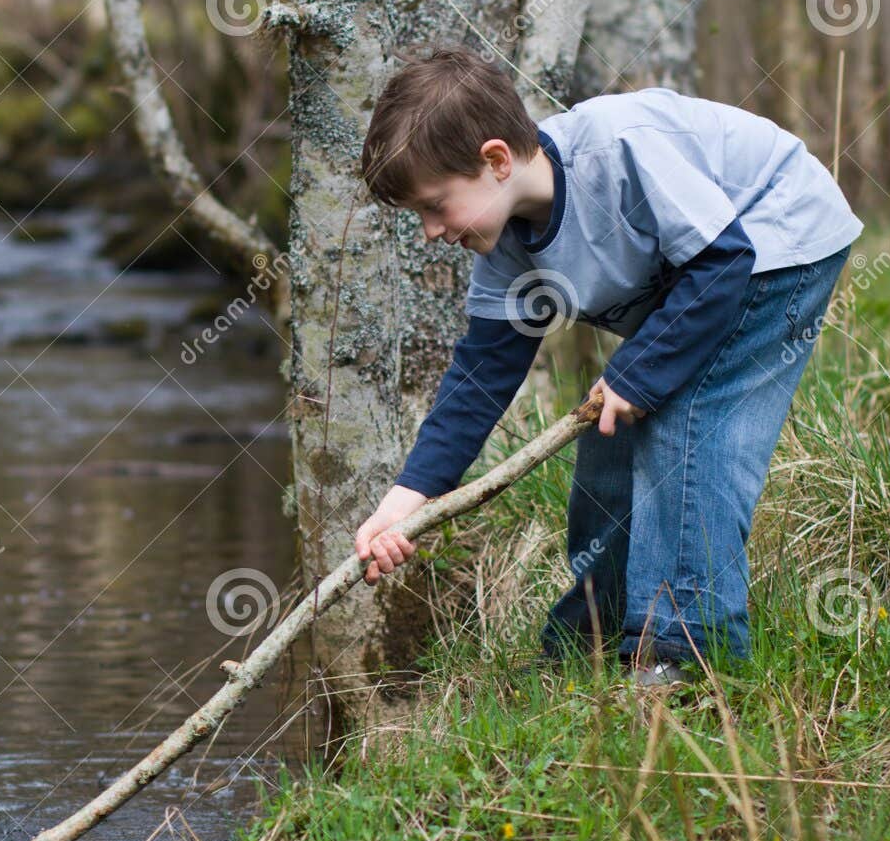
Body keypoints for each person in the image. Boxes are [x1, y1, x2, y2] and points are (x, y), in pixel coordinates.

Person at [353, 46, 862, 688]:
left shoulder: (619, 150)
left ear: (496, 160)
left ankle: (685, 657)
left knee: (686, 428)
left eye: (436, 205)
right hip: (702, 279)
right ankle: (592, 635)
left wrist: (638, 376)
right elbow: (480, 378)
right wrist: (408, 498)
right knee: (610, 437)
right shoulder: (507, 248)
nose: (430, 230)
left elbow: (724, 258)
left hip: (774, 239)